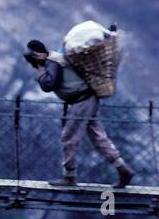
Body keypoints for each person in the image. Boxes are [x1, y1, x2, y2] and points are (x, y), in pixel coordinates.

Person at [24, 39, 133, 188]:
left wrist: (40, 73)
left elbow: (49, 85)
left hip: (81, 101)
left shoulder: (53, 62)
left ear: (39, 55)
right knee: (99, 138)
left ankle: (69, 177)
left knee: (69, 138)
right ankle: (123, 169)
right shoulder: (55, 59)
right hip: (87, 99)